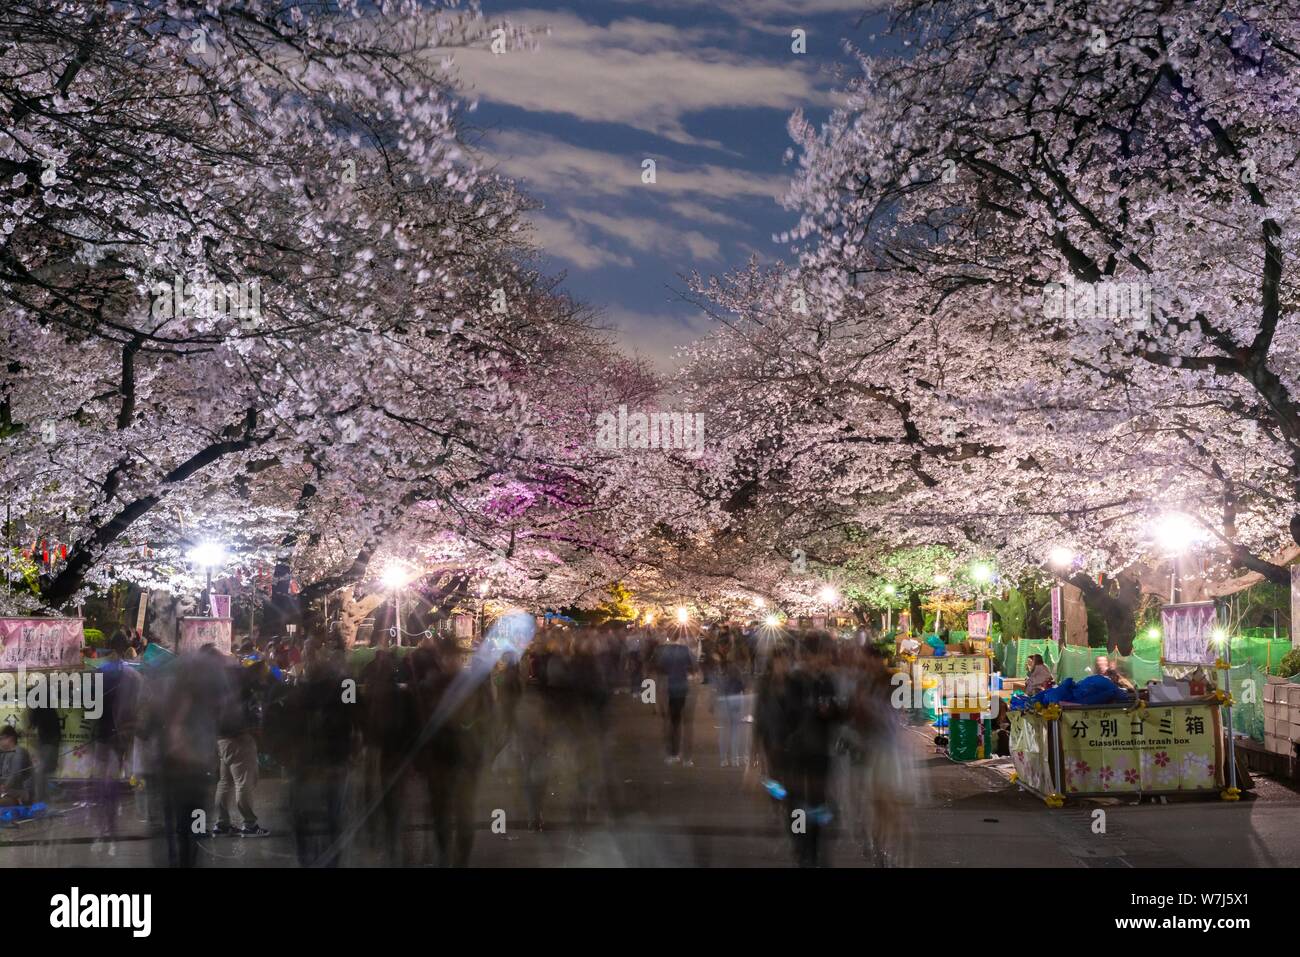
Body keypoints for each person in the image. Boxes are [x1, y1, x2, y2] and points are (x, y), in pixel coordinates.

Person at [212, 655, 270, 837]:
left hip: (221, 738)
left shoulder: (225, 684)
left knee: (224, 782)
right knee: (243, 782)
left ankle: (222, 824)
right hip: (239, 739)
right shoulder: (246, 689)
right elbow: (254, 715)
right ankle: (249, 824)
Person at [653, 631, 696, 764]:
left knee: (672, 722)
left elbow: (659, 668)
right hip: (683, 687)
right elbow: (693, 667)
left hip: (669, 687)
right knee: (687, 723)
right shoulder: (685, 650)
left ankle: (673, 753)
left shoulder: (664, 651)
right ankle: (687, 757)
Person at [0, 725, 34, 806]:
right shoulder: (4, 754)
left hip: (22, 794)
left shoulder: (20, 752)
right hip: (9, 791)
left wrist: (4, 787)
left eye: (2, 738)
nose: (0, 741)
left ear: (10, 738)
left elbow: (16, 774)